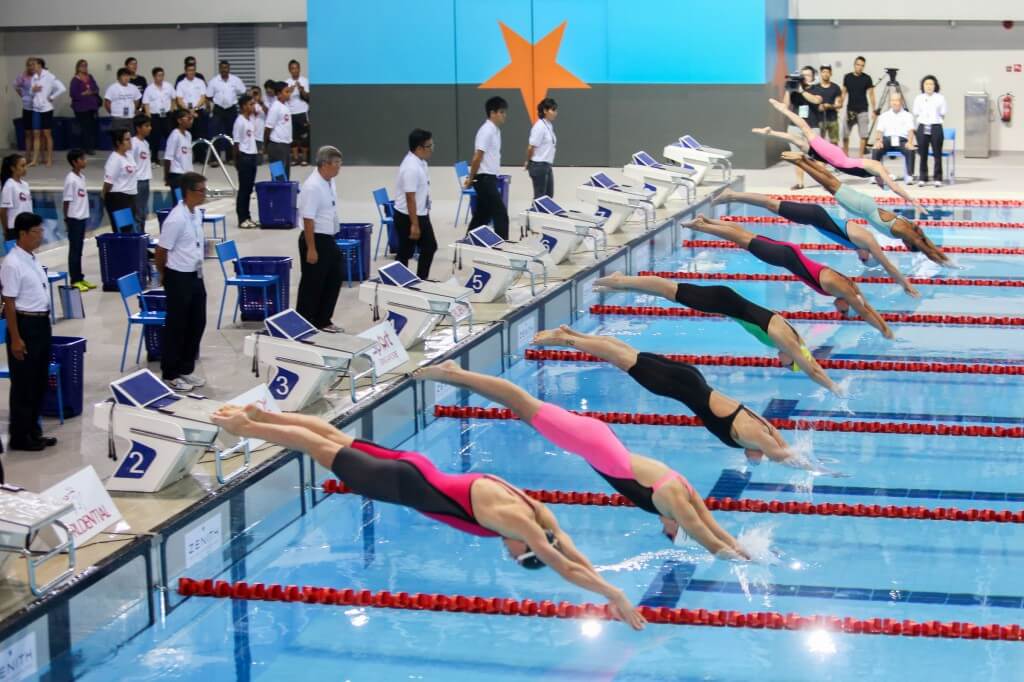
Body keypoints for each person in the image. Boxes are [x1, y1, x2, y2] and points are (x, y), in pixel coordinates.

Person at [209, 402, 647, 630]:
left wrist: (606, 584)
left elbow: (567, 550)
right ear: (526, 549)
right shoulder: (522, 526)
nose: (509, 551)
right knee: (319, 446)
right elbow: (564, 565)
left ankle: (262, 415)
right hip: (396, 482)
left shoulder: (539, 512)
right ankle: (247, 427)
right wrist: (616, 596)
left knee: (331, 436)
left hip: (415, 465)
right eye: (516, 555)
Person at [415, 361, 752, 560]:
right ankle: (453, 373)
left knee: (519, 405)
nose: (666, 529)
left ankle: (456, 374)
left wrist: (740, 548)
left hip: (596, 442)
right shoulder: (669, 498)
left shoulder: (679, 492)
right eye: (670, 534)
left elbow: (711, 526)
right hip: (590, 443)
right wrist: (731, 558)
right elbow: (703, 533)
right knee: (519, 400)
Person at [532, 327, 843, 474]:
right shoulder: (752, 435)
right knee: (620, 357)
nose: (755, 459)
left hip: (691, 378)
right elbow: (783, 456)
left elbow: (781, 448)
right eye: (758, 456)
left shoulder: (763, 427)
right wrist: (820, 472)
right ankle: (566, 340)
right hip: (674, 385)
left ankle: (570, 333)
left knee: (626, 352)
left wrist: (811, 460)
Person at [592, 271, 843, 394]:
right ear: (794, 357)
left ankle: (622, 282)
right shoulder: (785, 340)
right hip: (722, 301)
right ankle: (619, 280)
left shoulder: (789, 335)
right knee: (671, 290)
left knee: (670, 292)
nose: (782, 364)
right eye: (789, 365)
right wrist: (833, 387)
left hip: (725, 300)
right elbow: (811, 368)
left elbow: (808, 363)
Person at [686, 214, 894, 338]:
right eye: (842, 312)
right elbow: (865, 312)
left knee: (745, 235)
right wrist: (884, 331)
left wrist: (884, 325)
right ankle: (701, 226)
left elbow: (866, 306)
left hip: (788, 252)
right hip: (783, 257)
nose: (837, 311)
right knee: (741, 238)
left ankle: (707, 220)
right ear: (847, 306)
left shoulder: (849, 287)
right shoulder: (844, 291)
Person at [716, 188, 920, 296]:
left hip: (813, 216)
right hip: (813, 215)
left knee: (771, 205)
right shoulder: (867, 241)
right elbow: (888, 265)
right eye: (864, 260)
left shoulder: (859, 244)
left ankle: (732, 197)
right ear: (870, 255)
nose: (861, 258)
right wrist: (905, 284)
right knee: (771, 204)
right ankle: (732, 196)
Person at [756, 98, 926, 216]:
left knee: (797, 141)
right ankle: (783, 109)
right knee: (806, 130)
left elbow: (888, 186)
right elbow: (894, 188)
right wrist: (912, 200)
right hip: (836, 157)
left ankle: (770, 132)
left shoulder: (875, 171)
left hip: (834, 160)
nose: (883, 184)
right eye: (884, 183)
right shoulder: (878, 168)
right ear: (885, 176)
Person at [781, 152, 949, 266]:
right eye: (908, 245)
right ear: (910, 242)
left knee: (831, 181)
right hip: (861, 208)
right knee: (830, 184)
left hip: (867, 204)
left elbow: (927, 243)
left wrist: (942, 256)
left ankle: (804, 159)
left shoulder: (909, 226)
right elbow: (926, 248)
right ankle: (801, 162)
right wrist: (944, 262)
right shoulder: (904, 232)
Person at [1, 213, 56, 451]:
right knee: (24, 384)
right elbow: (9, 303)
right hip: (24, 326)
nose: (41, 236)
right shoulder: (12, 263)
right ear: (22, 234)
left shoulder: (31, 258)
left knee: (38, 381)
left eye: (41, 231)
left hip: (41, 324)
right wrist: (15, 338)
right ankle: (20, 436)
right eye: (36, 232)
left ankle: (34, 431)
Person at [155, 172, 208, 392]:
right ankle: (170, 373)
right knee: (177, 327)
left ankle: (186, 369)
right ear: (189, 192)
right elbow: (160, 250)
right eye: (201, 190)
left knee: (197, 322)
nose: (204, 194)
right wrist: (165, 275)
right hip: (178, 276)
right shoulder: (176, 218)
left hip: (196, 275)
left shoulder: (195, 214)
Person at [296, 146, 344, 332]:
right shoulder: (313, 186)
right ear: (325, 164)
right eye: (336, 164)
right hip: (315, 239)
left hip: (328, 238)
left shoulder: (329, 181)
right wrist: (311, 248)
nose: (339, 168)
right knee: (312, 283)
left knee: (334, 276)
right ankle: (305, 321)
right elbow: (308, 218)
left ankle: (323, 319)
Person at [393, 129, 436, 279]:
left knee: (429, 247)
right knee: (406, 252)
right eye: (429, 146)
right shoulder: (411, 167)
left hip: (421, 213)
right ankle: (398, 282)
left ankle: (420, 280)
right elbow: (410, 197)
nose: (431, 149)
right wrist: (415, 224)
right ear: (418, 148)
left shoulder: (421, 163)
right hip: (408, 216)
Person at [466, 97, 510, 239]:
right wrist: (471, 179)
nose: (504, 115)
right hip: (483, 179)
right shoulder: (486, 131)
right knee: (501, 214)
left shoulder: (496, 131)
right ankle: (503, 246)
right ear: (492, 113)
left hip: (490, 178)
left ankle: (468, 240)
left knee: (482, 215)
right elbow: (477, 157)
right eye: (501, 112)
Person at [780, 66, 823, 189]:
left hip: (812, 127)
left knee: (818, 156)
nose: (805, 77)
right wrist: (789, 90)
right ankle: (800, 183)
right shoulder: (794, 89)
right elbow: (785, 105)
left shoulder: (817, 88)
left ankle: (824, 181)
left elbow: (816, 100)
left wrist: (802, 91)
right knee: (797, 155)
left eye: (808, 75)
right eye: (803, 75)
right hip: (795, 127)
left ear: (813, 77)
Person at [62, 149, 96, 291]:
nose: (85, 161)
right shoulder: (70, 179)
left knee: (79, 250)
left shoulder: (81, 177)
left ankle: (80, 277)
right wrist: (67, 219)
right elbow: (66, 201)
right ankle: (75, 279)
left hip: (81, 218)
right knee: (74, 250)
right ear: (75, 162)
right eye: (82, 159)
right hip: (74, 219)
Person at [27, 58, 66, 167]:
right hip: (36, 108)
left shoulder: (49, 76)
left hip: (46, 109)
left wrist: (52, 96)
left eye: (33, 64)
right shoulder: (34, 78)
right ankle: (35, 160)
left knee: (47, 134)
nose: (31, 67)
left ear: (40, 65)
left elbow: (62, 88)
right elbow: (30, 93)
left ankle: (49, 159)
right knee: (36, 134)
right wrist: (33, 90)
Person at [206, 60, 246, 165]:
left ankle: (231, 158)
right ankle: (215, 158)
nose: (224, 70)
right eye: (222, 68)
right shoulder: (214, 81)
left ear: (229, 68)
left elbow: (243, 91)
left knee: (232, 133)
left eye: (226, 68)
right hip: (218, 109)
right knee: (216, 134)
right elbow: (208, 96)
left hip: (231, 109)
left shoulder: (235, 80)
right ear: (219, 69)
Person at [871, 93, 916, 181]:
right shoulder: (884, 115)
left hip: (902, 140)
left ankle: (909, 175)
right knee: (876, 148)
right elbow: (879, 131)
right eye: (893, 100)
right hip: (887, 140)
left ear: (901, 102)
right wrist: (878, 141)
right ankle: (874, 175)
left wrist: (910, 142)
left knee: (910, 149)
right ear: (890, 102)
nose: (895, 103)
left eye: (897, 100)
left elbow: (910, 130)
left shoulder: (908, 115)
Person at [912, 75, 948, 187]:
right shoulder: (919, 98)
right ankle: (923, 177)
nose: (929, 86)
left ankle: (938, 178)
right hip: (922, 127)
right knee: (923, 154)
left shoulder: (940, 98)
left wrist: (935, 121)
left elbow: (943, 113)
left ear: (935, 86)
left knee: (937, 153)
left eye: (931, 84)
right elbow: (916, 112)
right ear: (923, 86)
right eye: (926, 84)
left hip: (936, 127)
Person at [232, 95, 260, 229]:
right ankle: (241, 218)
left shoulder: (250, 120)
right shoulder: (240, 122)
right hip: (244, 157)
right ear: (243, 106)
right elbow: (236, 143)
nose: (253, 106)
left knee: (249, 189)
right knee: (243, 190)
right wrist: (237, 161)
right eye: (250, 104)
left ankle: (248, 216)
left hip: (252, 156)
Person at [101, 128, 138, 232]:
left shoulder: (129, 156)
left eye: (130, 139)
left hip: (130, 197)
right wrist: (104, 195)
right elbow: (108, 182)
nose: (130, 142)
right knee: (123, 230)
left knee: (129, 228)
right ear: (118, 143)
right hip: (119, 198)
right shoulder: (114, 159)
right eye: (127, 139)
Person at [841, 56, 876, 158]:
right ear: (854, 65)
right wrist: (840, 103)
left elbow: (871, 94)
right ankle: (845, 156)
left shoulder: (867, 78)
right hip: (850, 110)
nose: (860, 67)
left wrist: (874, 110)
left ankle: (861, 157)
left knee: (863, 135)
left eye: (862, 65)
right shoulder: (847, 77)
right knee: (845, 135)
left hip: (863, 110)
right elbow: (843, 92)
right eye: (858, 65)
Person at [175, 62, 208, 164]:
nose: (191, 72)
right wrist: (189, 111)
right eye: (189, 70)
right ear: (185, 71)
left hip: (198, 111)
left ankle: (201, 158)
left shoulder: (200, 82)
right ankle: (189, 157)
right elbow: (179, 99)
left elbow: (203, 97)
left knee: (200, 134)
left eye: (193, 70)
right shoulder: (181, 84)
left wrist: (195, 109)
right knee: (189, 135)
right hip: (185, 112)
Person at [525, 98, 557, 199]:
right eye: (553, 110)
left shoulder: (549, 125)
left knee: (548, 197)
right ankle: (534, 213)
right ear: (545, 111)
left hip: (547, 165)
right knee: (540, 198)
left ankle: (540, 213)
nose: (555, 113)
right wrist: (528, 161)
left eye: (556, 110)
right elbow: (531, 147)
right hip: (539, 166)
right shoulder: (539, 127)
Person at [143, 67, 176, 163]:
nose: (160, 78)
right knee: (155, 138)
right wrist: (149, 116)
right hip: (155, 116)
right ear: (154, 77)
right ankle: (154, 158)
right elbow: (146, 103)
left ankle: (170, 157)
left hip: (166, 115)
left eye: (162, 75)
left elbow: (174, 98)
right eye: (158, 76)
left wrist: (171, 110)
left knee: (170, 137)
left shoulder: (168, 86)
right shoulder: (149, 89)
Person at [69, 59, 101, 154]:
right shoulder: (75, 80)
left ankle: (90, 147)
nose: (84, 67)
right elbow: (73, 94)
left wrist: (91, 92)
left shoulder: (90, 77)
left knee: (91, 127)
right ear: (78, 67)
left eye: (86, 65)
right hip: (81, 108)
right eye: (82, 66)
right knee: (85, 127)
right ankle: (85, 148)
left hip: (92, 107)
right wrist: (83, 94)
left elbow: (96, 88)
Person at [264, 81, 292, 180]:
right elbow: (268, 128)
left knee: (286, 176)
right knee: (278, 176)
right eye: (286, 92)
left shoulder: (286, 106)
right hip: (277, 146)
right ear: (279, 94)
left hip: (285, 145)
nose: (289, 94)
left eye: (289, 91)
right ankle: (276, 195)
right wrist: (266, 145)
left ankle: (284, 195)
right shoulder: (275, 107)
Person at [285, 60, 311, 167]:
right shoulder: (286, 82)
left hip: (302, 112)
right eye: (292, 68)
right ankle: (295, 158)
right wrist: (289, 91)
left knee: (304, 136)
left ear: (299, 69)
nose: (295, 70)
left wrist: (302, 90)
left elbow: (308, 97)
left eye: (296, 68)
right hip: (291, 112)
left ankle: (304, 158)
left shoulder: (305, 81)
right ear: (289, 70)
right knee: (293, 137)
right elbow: (284, 98)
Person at [1, 154, 32, 241]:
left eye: (26, 165)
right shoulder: (9, 185)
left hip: (27, 227)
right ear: (13, 168)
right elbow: (3, 210)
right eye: (22, 166)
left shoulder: (25, 184)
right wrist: (6, 230)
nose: (25, 168)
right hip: (15, 228)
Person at [131, 114, 153, 232]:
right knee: (138, 213)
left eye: (150, 125)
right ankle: (138, 238)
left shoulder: (146, 143)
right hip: (138, 182)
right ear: (138, 128)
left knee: (143, 212)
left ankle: (142, 235)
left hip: (145, 181)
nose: (150, 128)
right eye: (146, 126)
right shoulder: (133, 144)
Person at [810, 65, 842, 144]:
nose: (825, 74)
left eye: (827, 72)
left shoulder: (836, 87)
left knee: (834, 143)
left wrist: (830, 106)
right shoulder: (814, 88)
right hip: (819, 120)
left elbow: (839, 104)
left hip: (833, 119)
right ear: (820, 73)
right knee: (819, 143)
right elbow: (811, 103)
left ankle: (834, 156)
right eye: (823, 72)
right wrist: (818, 107)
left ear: (831, 73)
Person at [104, 67, 141, 134]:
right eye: (124, 75)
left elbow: (137, 99)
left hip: (130, 118)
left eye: (128, 75)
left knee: (131, 138)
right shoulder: (112, 88)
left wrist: (133, 109)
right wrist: (113, 113)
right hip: (118, 118)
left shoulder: (133, 87)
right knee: (119, 139)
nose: (126, 77)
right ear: (118, 77)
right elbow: (107, 103)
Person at [164, 110, 194, 193]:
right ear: (179, 120)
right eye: (188, 118)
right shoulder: (174, 135)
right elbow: (168, 158)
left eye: (191, 118)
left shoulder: (188, 135)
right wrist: (167, 177)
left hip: (188, 174)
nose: (191, 121)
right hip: (177, 174)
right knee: (178, 202)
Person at [14, 60, 36, 164]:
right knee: (28, 133)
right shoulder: (22, 76)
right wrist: (23, 96)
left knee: (37, 133)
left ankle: (37, 156)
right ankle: (28, 155)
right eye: (30, 65)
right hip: (27, 107)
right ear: (27, 66)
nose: (32, 67)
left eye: (33, 64)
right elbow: (16, 86)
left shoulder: (39, 76)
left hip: (38, 107)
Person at [250, 86, 267, 152]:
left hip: (259, 135)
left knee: (259, 159)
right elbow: (253, 113)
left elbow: (268, 113)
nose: (255, 95)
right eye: (254, 93)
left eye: (256, 93)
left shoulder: (264, 103)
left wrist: (260, 102)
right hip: (250, 135)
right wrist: (251, 99)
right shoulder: (248, 104)